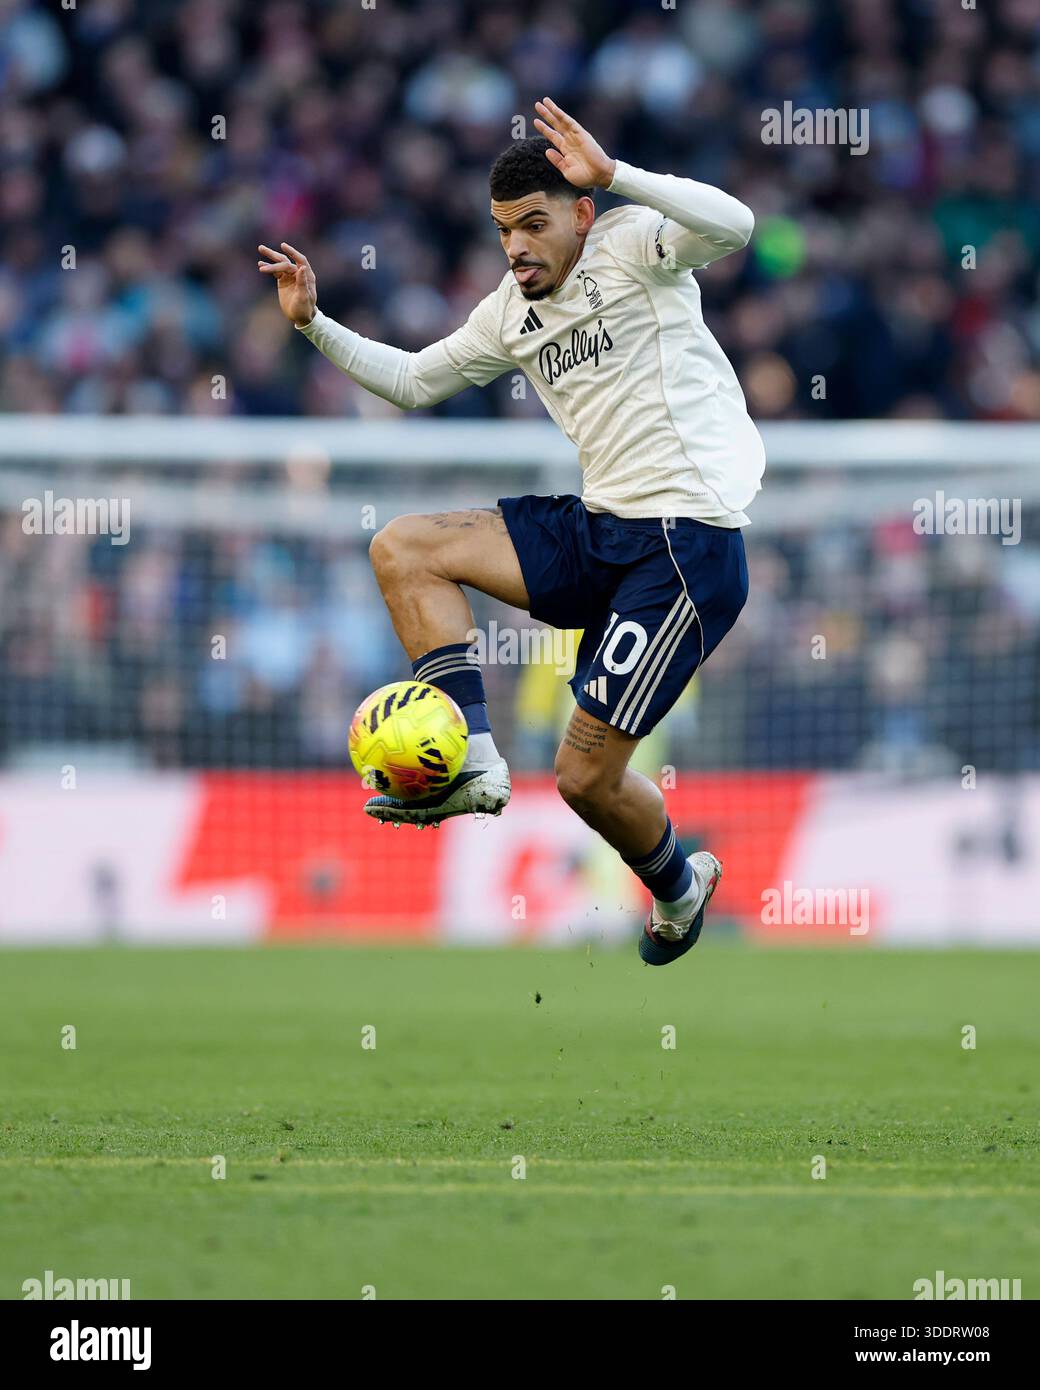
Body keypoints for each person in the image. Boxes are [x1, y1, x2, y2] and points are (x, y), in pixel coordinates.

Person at [258, 99, 764, 966]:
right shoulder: (510, 311)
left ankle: (680, 888)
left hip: (686, 548)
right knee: (404, 547)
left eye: (534, 224)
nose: (518, 247)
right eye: (503, 232)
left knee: (582, 781)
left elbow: (740, 224)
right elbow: (415, 382)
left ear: (579, 212)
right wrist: (313, 324)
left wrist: (619, 176)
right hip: (601, 528)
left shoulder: (638, 244)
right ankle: (474, 764)